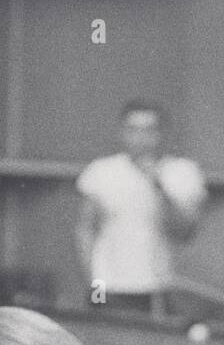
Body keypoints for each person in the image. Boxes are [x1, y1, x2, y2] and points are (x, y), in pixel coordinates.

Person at [75, 100, 206, 316]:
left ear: (162, 134)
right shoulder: (101, 171)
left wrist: (158, 185)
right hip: (109, 288)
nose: (141, 138)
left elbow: (185, 232)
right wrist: (94, 286)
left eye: (149, 130)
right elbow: (85, 229)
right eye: (133, 130)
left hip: (160, 288)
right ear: (122, 133)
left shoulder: (183, 172)